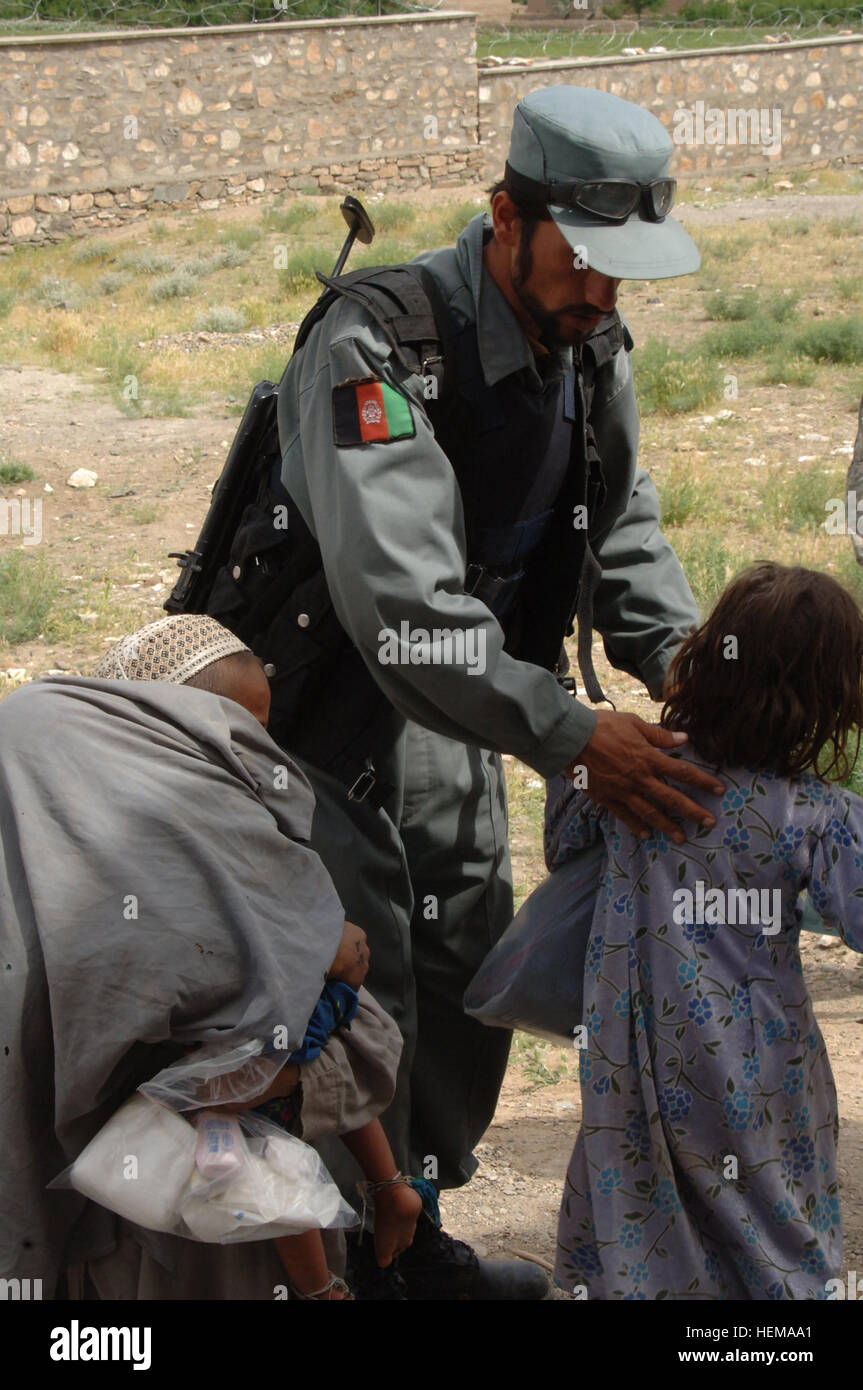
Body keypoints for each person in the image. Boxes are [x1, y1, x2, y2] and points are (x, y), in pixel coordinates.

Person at [221, 85, 727, 1298]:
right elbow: (401, 612)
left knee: (457, 972)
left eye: (620, 275)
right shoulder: (374, 343)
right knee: (352, 986)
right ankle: (338, 1263)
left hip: (458, 699)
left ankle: (414, 1227)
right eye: (580, 263)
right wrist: (569, 734)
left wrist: (699, 675)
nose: (599, 297)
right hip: (303, 715)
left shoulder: (585, 349)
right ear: (505, 215)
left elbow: (616, 539)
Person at [0, 615, 413, 1300]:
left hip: (108, 1190)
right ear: (166, 719)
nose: (250, 747)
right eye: (229, 724)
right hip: (186, 1225)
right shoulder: (182, 816)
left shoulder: (41, 746)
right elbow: (322, 1028)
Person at [544, 562, 863, 1299]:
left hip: (632, 1047)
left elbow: (563, 847)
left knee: (637, 1198)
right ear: (827, 702)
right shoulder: (815, 814)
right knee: (771, 1215)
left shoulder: (633, 771)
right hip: (757, 1059)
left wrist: (581, 761)